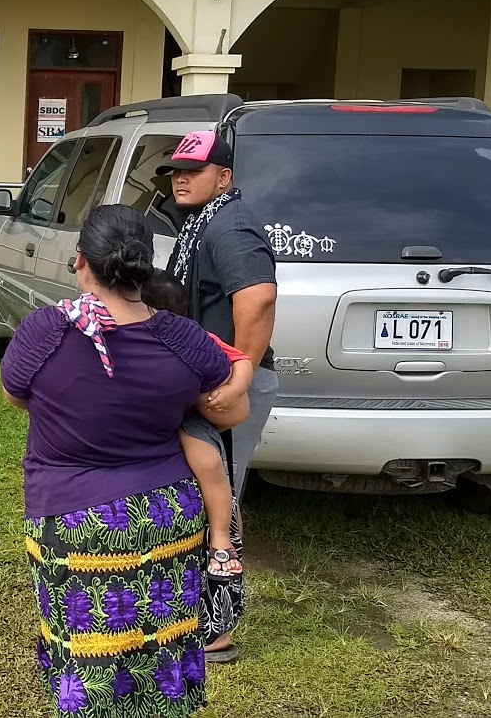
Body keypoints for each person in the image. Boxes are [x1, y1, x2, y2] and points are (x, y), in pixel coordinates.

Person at [0, 205, 250, 718]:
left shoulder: (44, 332)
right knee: (164, 652)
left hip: (72, 521)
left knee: (87, 659)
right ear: (145, 264)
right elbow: (229, 402)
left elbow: (17, 396)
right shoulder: (181, 338)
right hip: (166, 517)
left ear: (80, 262)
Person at [157, 129, 279, 664]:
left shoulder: (230, 224)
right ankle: (202, 615)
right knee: (213, 497)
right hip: (208, 381)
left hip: (226, 386)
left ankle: (217, 631)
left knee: (218, 503)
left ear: (224, 177)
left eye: (194, 170)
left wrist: (237, 378)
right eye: (176, 171)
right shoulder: (202, 221)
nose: (181, 179)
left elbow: (258, 298)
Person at [143, 269, 252, 581]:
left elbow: (241, 360)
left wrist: (233, 390)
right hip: (154, 417)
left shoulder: (195, 337)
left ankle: (221, 537)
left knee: (208, 464)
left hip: (190, 417)